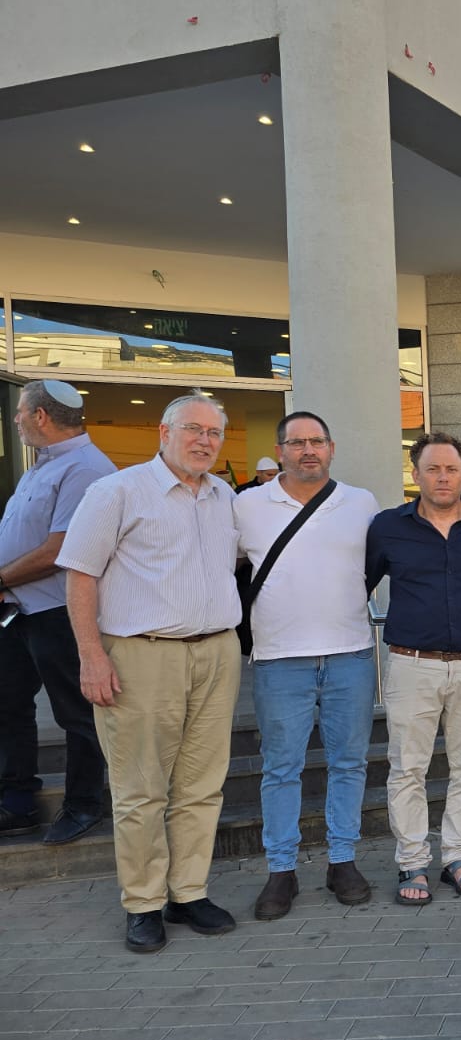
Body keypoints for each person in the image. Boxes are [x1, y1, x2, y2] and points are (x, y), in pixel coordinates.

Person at [57, 390, 242, 953]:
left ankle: (189, 891)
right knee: (141, 788)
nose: (204, 441)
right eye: (194, 429)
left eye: (213, 433)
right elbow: (80, 576)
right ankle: (143, 902)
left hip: (216, 652)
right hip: (141, 655)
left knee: (201, 784)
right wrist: (91, 656)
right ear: (163, 432)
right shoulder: (115, 491)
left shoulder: (223, 496)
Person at [235, 411, 380, 920]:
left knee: (349, 763)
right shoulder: (246, 505)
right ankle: (281, 870)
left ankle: (343, 860)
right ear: (280, 451)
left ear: (332, 447)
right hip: (278, 660)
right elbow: (224, 568)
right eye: (296, 442)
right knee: (281, 769)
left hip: (350, 655)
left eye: (317, 440)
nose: (307, 450)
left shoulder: (360, 503)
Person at [365, 431, 461, 905]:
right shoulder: (387, 527)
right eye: (432, 469)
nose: (442, 477)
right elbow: (360, 584)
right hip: (411, 666)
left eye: (450, 469)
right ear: (416, 474)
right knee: (407, 769)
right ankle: (411, 861)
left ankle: (458, 856)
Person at [0, 380, 116, 845]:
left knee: (77, 714)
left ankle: (86, 804)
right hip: (20, 611)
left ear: (41, 416)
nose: (16, 419)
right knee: (7, 705)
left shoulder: (86, 469)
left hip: (60, 613)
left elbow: (60, 550)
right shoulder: (42, 466)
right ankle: (17, 802)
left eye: (21, 412)